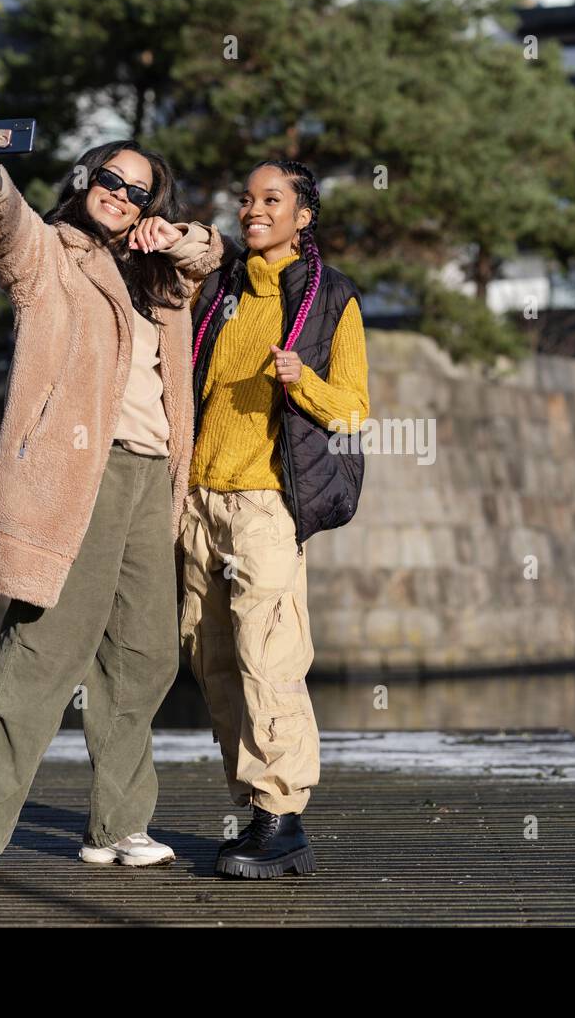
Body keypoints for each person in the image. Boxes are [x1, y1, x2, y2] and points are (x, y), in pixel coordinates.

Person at [0, 116, 222, 876]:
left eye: (139, 190)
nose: (122, 196)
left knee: (145, 656)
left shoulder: (161, 281)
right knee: (41, 651)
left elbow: (210, 252)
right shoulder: (51, 255)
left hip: (149, 482)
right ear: (85, 179)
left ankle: (118, 825)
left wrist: (171, 234)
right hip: (75, 479)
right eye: (112, 180)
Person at [182, 159, 369, 879]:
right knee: (213, 656)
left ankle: (284, 817)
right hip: (200, 500)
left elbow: (355, 411)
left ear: (303, 215)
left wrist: (304, 381)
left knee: (270, 657)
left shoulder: (333, 300)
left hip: (264, 504)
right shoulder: (224, 287)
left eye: (272, 199)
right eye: (247, 197)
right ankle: (257, 808)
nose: (254, 209)